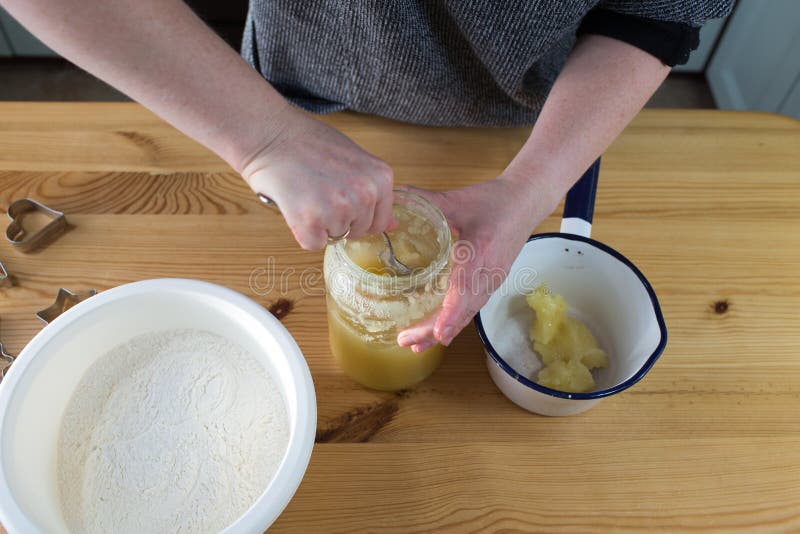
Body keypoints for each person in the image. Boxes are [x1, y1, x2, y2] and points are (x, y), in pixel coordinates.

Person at [1, 0, 733, 352]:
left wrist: (529, 189)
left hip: (540, 121)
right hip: (287, 97)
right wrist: (265, 135)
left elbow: (655, 15)